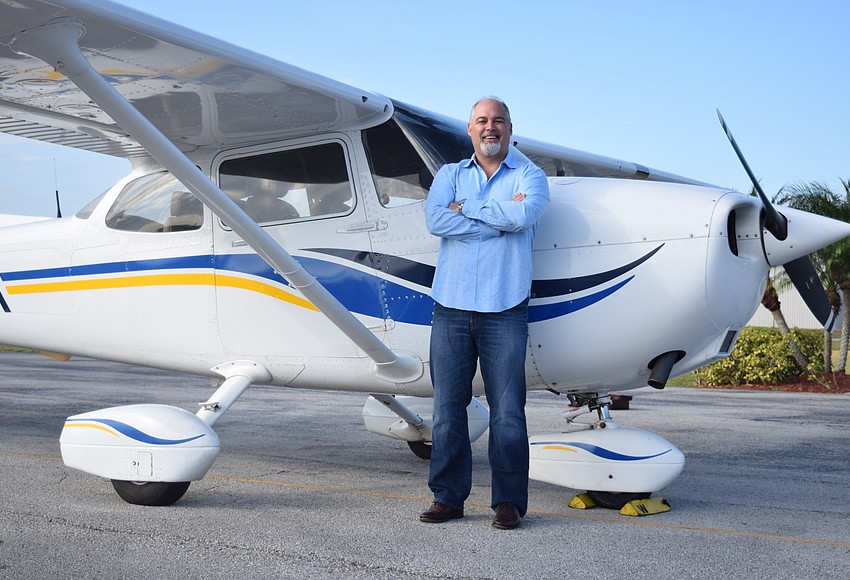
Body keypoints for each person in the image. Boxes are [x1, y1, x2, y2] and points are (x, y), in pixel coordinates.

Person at [420, 97, 550, 529]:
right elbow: (437, 220)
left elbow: (526, 213)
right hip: (452, 307)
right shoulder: (448, 175)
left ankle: (508, 502)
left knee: (509, 410)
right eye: (482, 121)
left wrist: (467, 208)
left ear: (510, 129)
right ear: (470, 130)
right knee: (447, 410)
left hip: (505, 307)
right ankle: (447, 498)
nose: (490, 127)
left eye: (497, 121)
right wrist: (501, 217)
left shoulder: (531, 176)